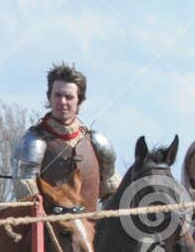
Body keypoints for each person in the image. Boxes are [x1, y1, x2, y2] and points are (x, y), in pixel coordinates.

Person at [13, 63, 117, 209]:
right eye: (57, 95)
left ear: (79, 100)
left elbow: (111, 193)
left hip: (92, 227)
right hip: (48, 227)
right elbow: (26, 193)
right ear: (49, 96)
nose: (62, 102)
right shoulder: (33, 142)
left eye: (68, 97)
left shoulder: (97, 143)